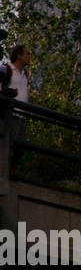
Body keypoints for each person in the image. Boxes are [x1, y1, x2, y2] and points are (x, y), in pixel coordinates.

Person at [1, 45, 31, 174]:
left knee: (19, 147)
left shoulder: (25, 74)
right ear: (18, 55)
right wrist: (8, 93)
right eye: (27, 54)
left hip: (22, 115)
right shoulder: (8, 70)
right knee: (8, 145)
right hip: (11, 113)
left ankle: (11, 172)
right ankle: (4, 173)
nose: (29, 57)